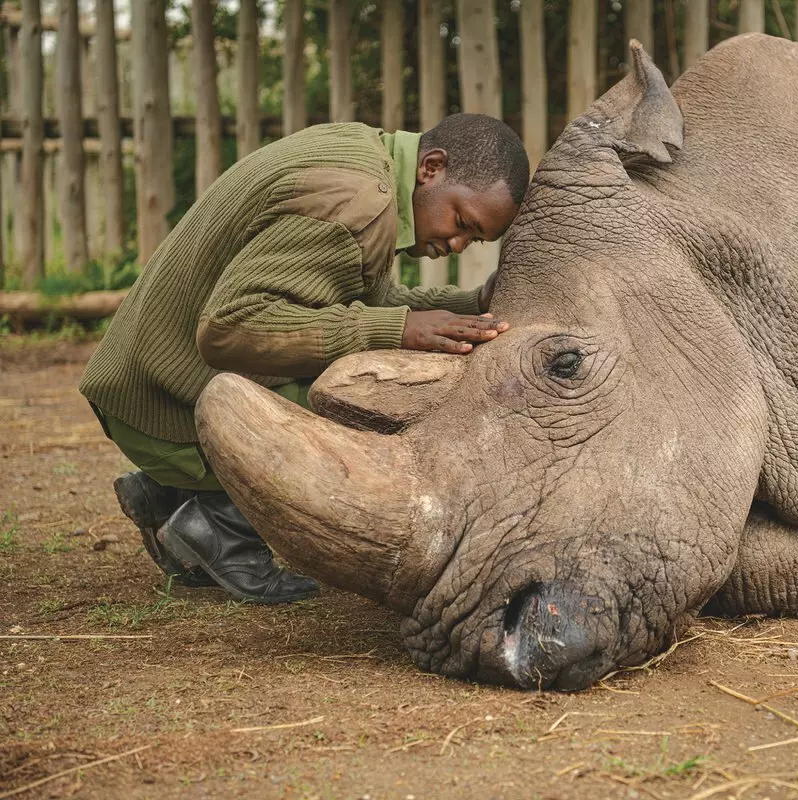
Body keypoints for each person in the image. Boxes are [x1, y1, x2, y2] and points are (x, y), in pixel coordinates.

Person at [79, 114, 530, 604]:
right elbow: (229, 329)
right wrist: (394, 330)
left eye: (475, 240)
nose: (458, 244)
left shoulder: (366, 159)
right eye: (462, 222)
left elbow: (358, 299)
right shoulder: (357, 204)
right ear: (432, 168)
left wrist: (471, 305)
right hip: (161, 406)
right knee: (378, 406)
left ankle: (172, 493)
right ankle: (216, 524)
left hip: (145, 382)